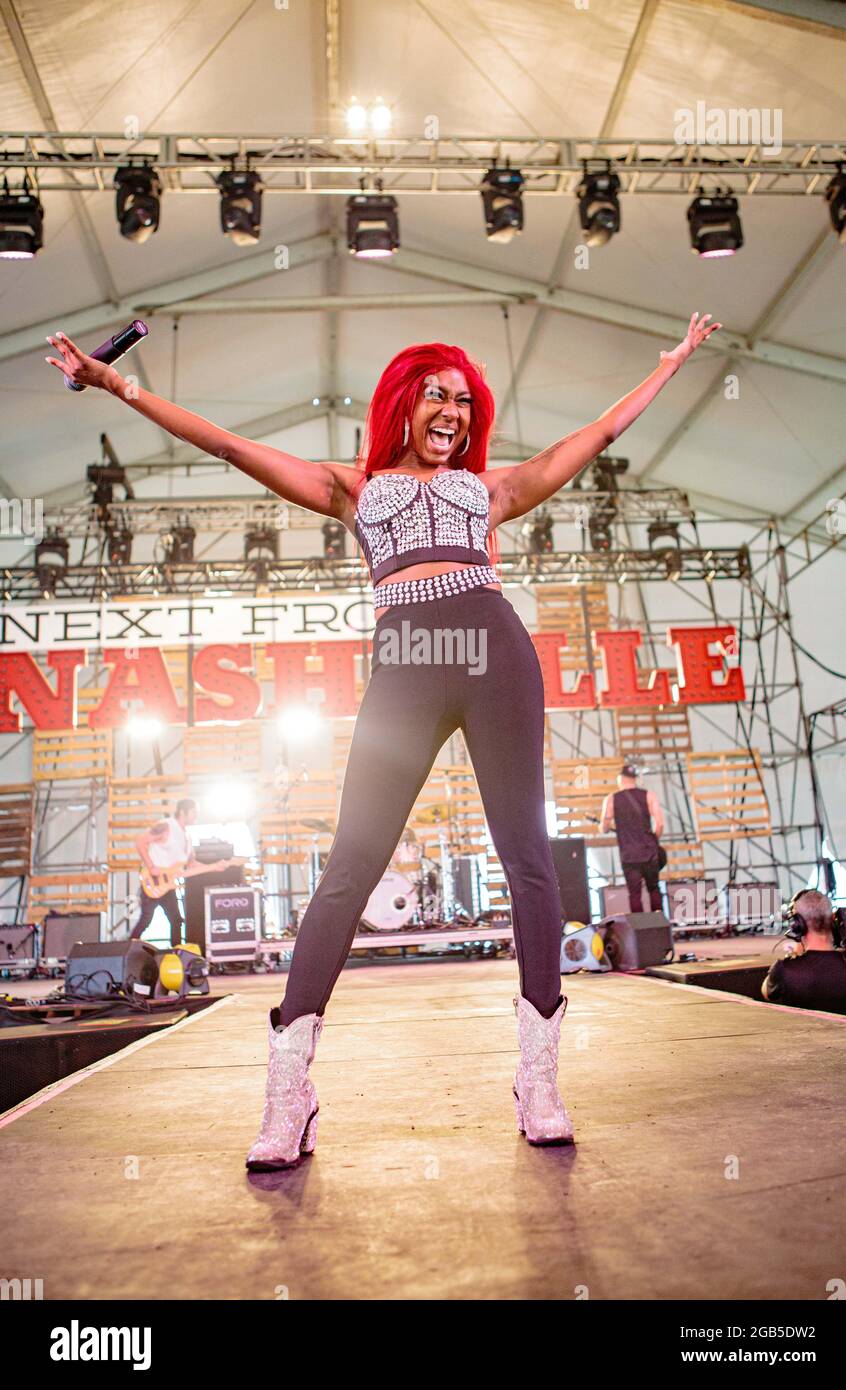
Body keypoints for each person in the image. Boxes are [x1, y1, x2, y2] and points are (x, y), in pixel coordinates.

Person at [45, 310, 722, 1171]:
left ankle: (540, 1080)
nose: (453, 412)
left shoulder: (494, 490)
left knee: (529, 859)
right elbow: (224, 444)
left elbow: (600, 431)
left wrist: (669, 364)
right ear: (403, 403)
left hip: (493, 649)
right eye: (436, 395)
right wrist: (115, 384)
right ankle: (289, 1090)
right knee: (348, 869)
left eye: (465, 401)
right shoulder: (354, 487)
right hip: (407, 656)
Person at [131, 798, 228, 946]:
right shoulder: (166, 826)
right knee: (146, 920)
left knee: (176, 920)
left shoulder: (187, 837)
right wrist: (151, 866)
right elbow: (140, 842)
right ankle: (125, 950)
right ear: (183, 812)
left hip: (168, 884)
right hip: (153, 882)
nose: (196, 816)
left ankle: (175, 954)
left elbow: (190, 864)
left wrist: (214, 867)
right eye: (194, 812)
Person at [762, 889, 846, 1018]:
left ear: (797, 925)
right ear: (834, 921)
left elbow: (767, 992)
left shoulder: (784, 970)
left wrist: (794, 954)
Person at [600, 764, 665, 914]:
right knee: (654, 888)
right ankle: (659, 924)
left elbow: (604, 827)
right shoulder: (649, 795)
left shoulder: (611, 799)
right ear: (635, 779)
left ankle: (639, 930)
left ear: (620, 779)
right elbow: (660, 824)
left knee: (634, 894)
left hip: (629, 855)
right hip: (649, 852)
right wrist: (653, 841)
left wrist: (606, 825)